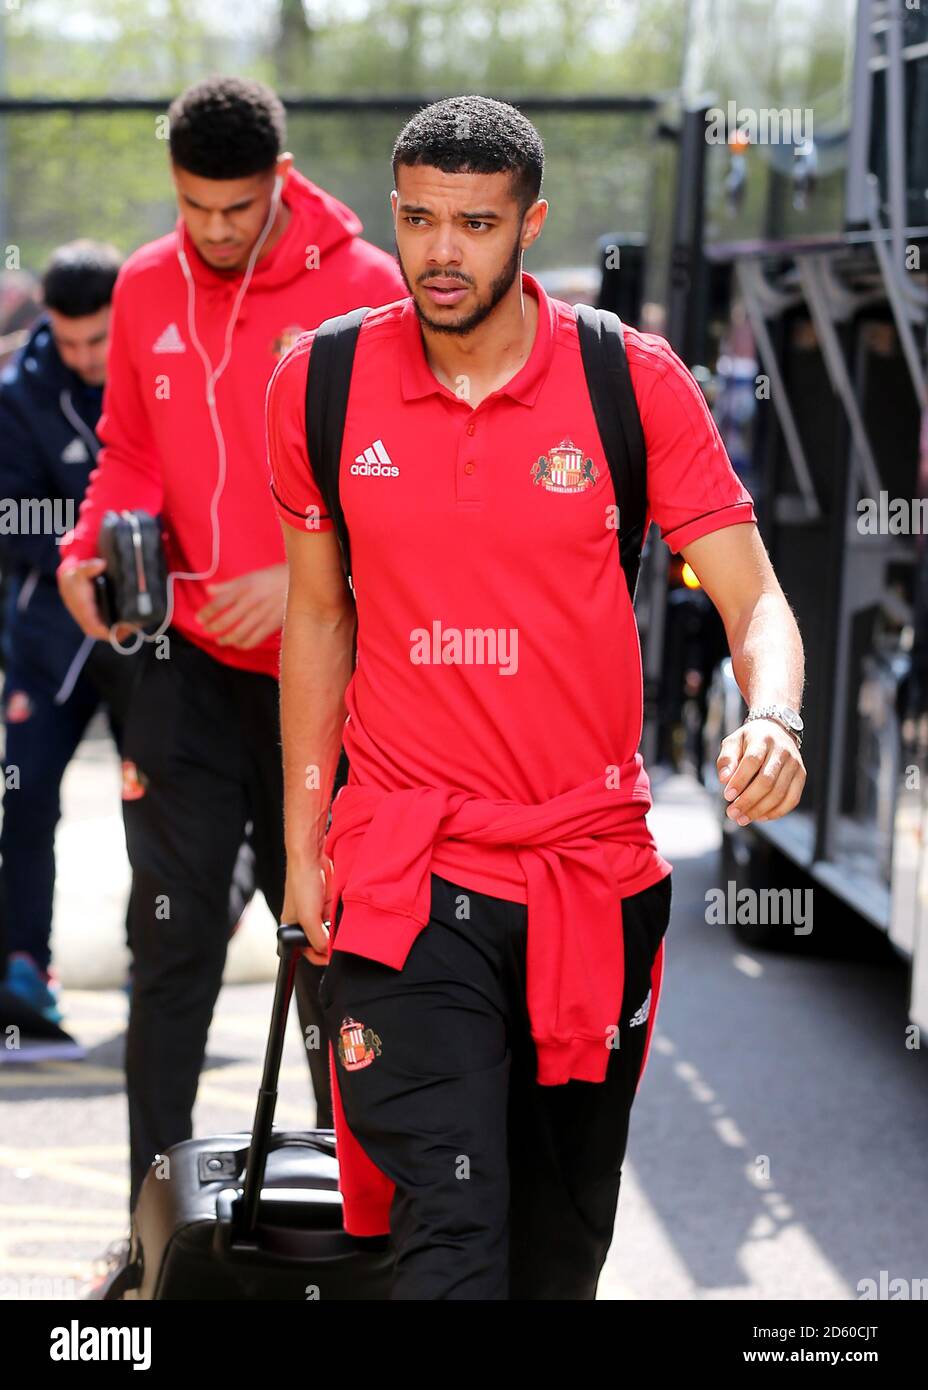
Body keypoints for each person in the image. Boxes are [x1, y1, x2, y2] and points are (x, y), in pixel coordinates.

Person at [267, 95, 807, 1300]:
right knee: (449, 1238)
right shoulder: (320, 382)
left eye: (473, 223)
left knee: (554, 1255)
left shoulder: (632, 380)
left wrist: (772, 713)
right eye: (416, 219)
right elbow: (317, 614)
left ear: (531, 225)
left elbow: (752, 597)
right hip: (405, 868)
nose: (440, 252)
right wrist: (306, 836)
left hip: (585, 873)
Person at [57, 76, 406, 1213]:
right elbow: (129, 456)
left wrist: (306, 573)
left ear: (281, 181)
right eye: (194, 206)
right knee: (170, 943)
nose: (213, 231)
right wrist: (85, 549)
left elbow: (400, 489)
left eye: (238, 209)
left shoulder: (363, 290)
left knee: (333, 950)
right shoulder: (146, 282)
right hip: (184, 675)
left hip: (328, 682)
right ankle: (152, 1228)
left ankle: (363, 1222)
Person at [0, 241, 141, 1024]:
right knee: (25, 803)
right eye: (70, 338)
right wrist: (94, 550)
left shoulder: (159, 375)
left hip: (150, 637)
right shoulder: (16, 391)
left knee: (157, 810)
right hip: (48, 640)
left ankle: (150, 970)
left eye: (100, 339)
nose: (85, 355)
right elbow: (10, 514)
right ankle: (22, 972)